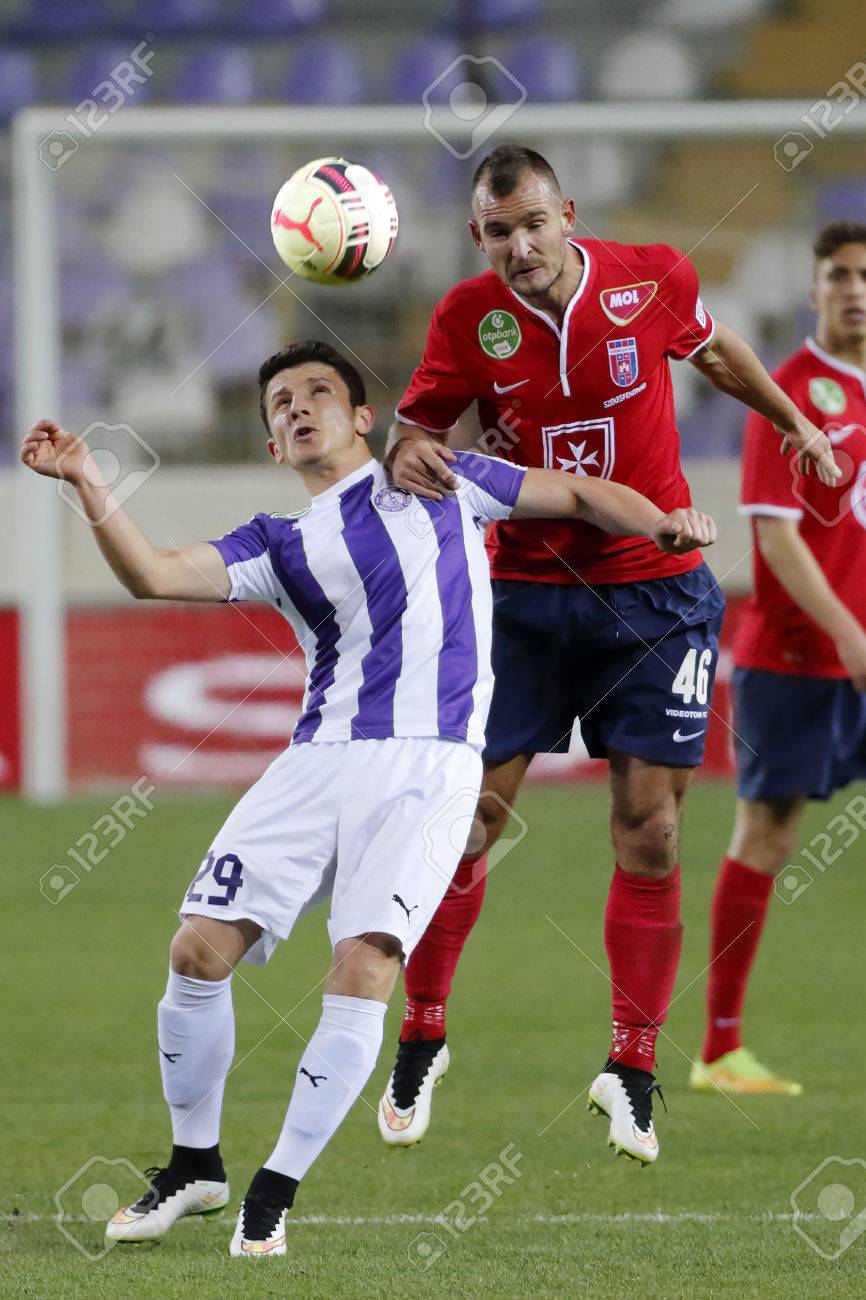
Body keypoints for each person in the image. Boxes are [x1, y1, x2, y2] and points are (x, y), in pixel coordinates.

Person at [21, 339, 715, 1256]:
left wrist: (659, 520)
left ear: (362, 418)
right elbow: (154, 574)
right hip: (315, 763)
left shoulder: (445, 481)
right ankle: (196, 1165)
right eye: (279, 403)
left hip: (428, 768)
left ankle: (275, 1188)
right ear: (272, 440)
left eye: (318, 393)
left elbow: (581, 494)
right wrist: (88, 486)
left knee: (362, 965)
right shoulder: (278, 541)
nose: (297, 408)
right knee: (195, 952)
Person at [379, 145, 840, 1165]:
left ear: (567, 215)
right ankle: (421, 1030)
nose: (519, 245)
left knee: (650, 829)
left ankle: (629, 1066)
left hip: (655, 596)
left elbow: (714, 354)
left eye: (534, 223)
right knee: (470, 823)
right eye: (499, 232)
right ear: (478, 238)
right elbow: (412, 434)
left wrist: (796, 422)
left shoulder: (651, 278)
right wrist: (410, 452)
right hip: (523, 598)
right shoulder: (466, 319)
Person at [691, 220, 866, 1096]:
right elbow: (776, 545)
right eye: (838, 275)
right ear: (814, 290)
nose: (855, 289)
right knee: (768, 837)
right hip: (796, 659)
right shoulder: (789, 391)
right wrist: (847, 632)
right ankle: (720, 1048)